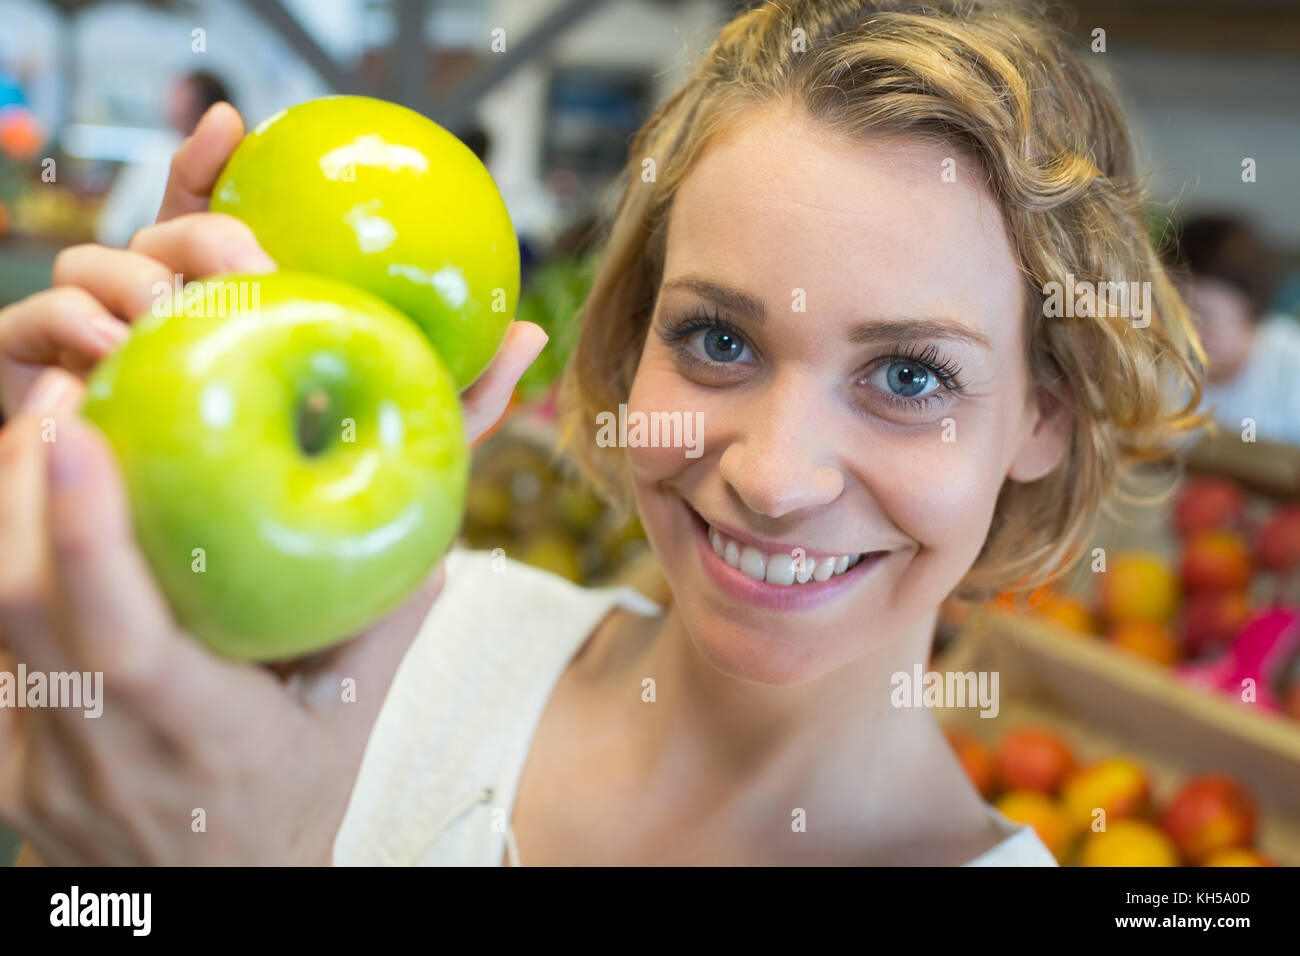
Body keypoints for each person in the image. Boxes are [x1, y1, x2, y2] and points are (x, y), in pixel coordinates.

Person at [0, 0, 1205, 866]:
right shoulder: (362, 646)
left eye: (907, 372)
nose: (776, 478)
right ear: (630, 343)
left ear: (1041, 413)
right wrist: (116, 510)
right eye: (718, 341)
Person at [1165, 214, 1300, 446]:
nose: (1187, 331)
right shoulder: (1156, 362)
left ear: (1252, 315)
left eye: (1205, 317)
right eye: (1174, 312)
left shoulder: (1290, 370)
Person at [95, 71, 233, 249]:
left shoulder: (155, 153)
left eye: (178, 96)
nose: (168, 101)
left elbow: (114, 228)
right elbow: (115, 229)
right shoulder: (155, 152)